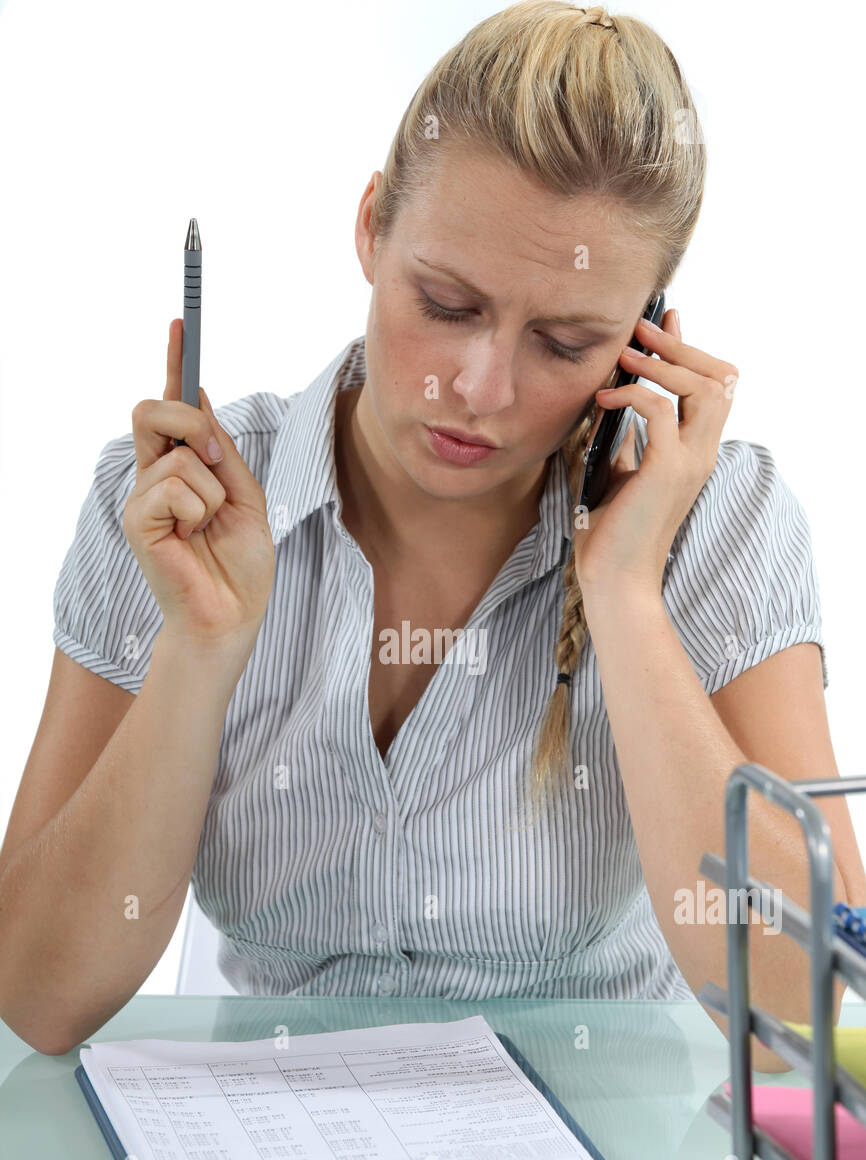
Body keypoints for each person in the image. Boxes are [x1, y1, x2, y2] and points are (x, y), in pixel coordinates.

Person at [0, 2, 862, 1064]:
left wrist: (628, 597)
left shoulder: (719, 521)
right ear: (370, 226)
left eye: (564, 340)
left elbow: (797, 1010)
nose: (481, 389)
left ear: (646, 345)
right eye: (447, 304)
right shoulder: (176, 510)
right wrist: (200, 650)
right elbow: (40, 997)